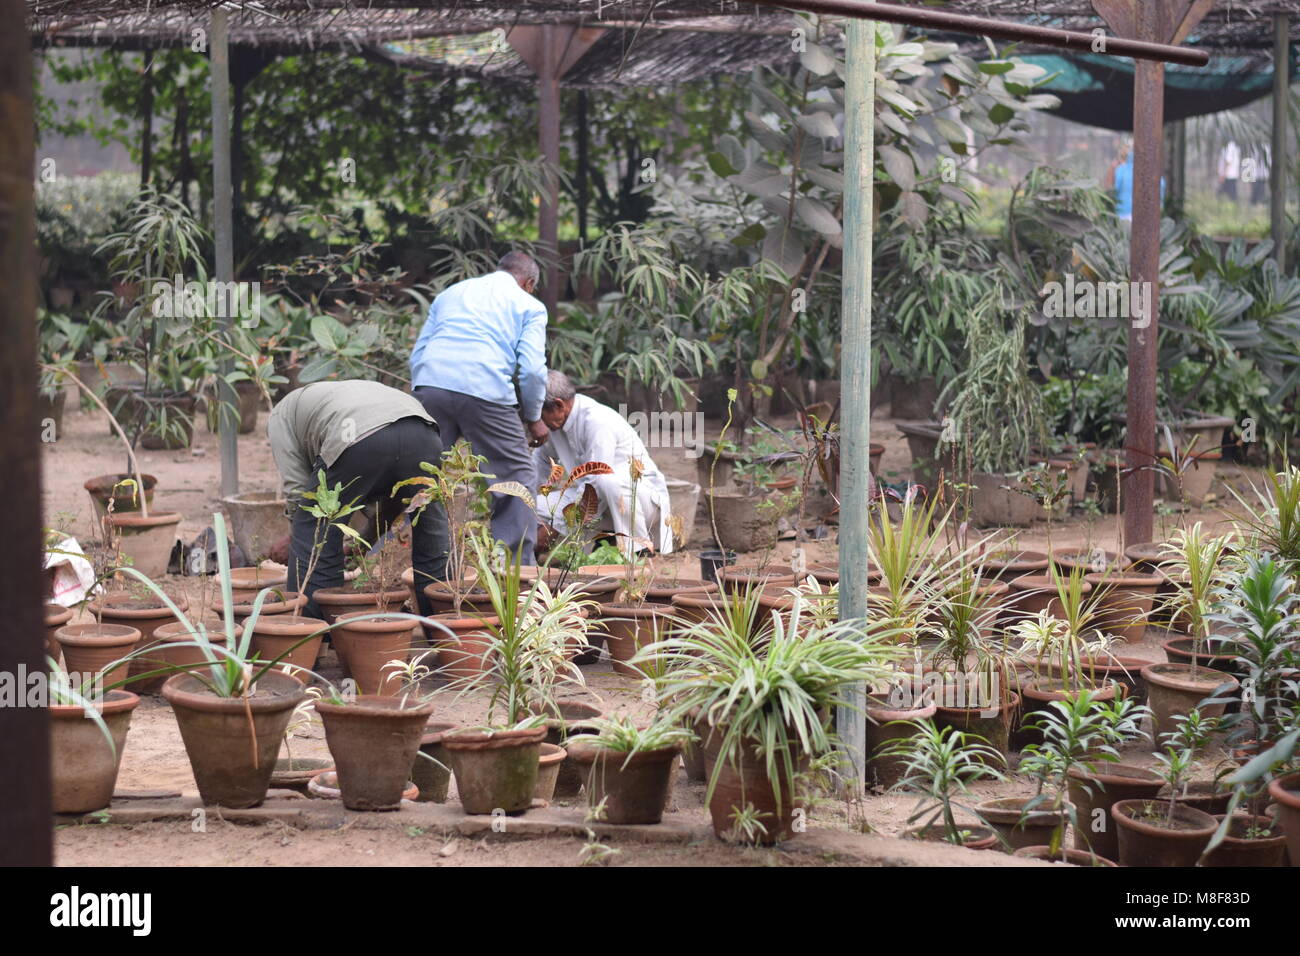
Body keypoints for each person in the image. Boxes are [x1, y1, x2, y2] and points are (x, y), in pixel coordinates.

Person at [410, 251, 548, 565]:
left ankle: (396, 561)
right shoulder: (528, 305)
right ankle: (515, 575)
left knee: (419, 474)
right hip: (487, 391)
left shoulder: (451, 294)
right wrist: (534, 417)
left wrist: (425, 392)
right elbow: (531, 371)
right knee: (515, 479)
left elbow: (418, 354)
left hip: (431, 385)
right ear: (528, 283)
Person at [267, 380, 449, 619]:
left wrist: (296, 536)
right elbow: (394, 501)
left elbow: (299, 490)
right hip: (423, 433)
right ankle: (444, 630)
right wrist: (362, 544)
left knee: (314, 527)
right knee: (430, 532)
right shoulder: (337, 396)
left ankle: (316, 632)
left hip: (356, 433)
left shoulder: (280, 416)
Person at [533, 370, 674, 557]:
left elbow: (596, 484)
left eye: (539, 414)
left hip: (640, 502)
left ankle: (639, 552)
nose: (538, 423)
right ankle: (604, 542)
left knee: (608, 482)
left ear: (558, 405)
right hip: (597, 500)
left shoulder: (597, 421)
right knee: (531, 504)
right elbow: (539, 463)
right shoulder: (554, 424)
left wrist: (556, 526)